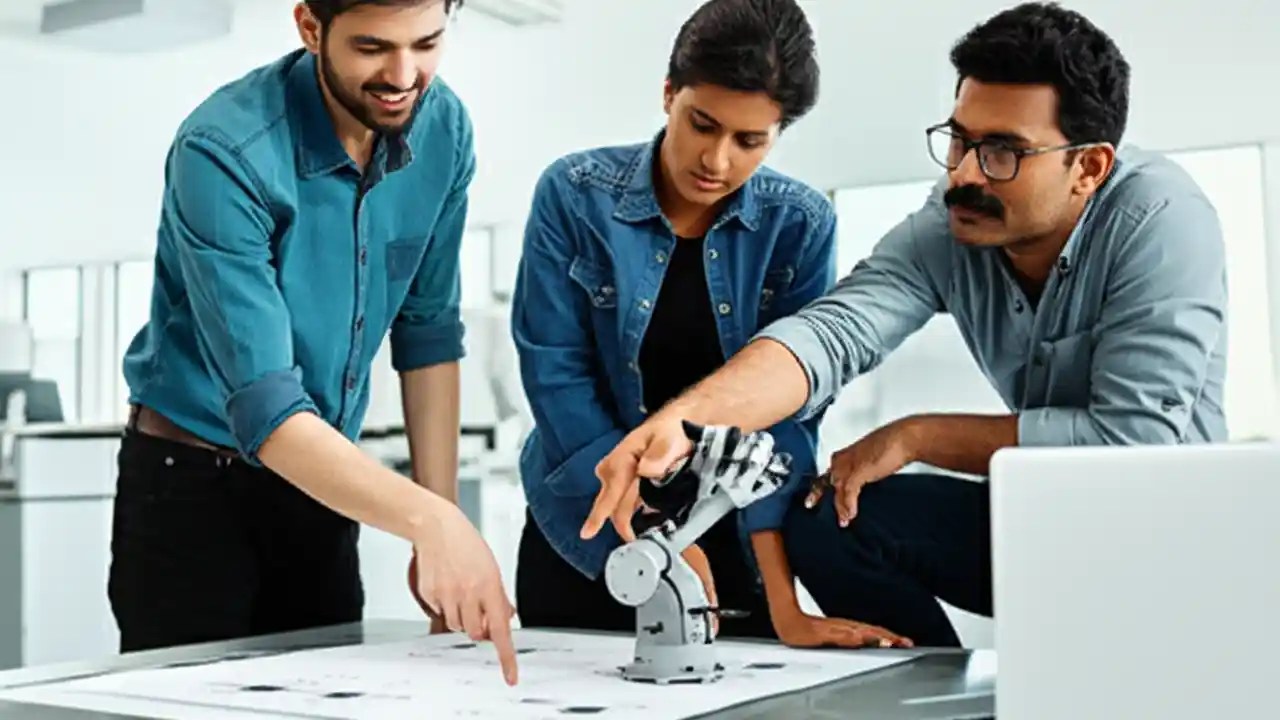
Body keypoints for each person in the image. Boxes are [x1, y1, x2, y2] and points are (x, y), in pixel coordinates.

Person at [583, 1, 1228, 647]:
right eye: (960, 140)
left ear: (1088, 168)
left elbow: (1130, 442)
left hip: (1162, 540)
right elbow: (831, 334)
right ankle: (935, 689)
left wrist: (918, 436)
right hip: (1040, 517)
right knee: (828, 515)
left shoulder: (1161, 221)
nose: (965, 174)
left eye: (1003, 152)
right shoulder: (948, 225)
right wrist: (685, 423)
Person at [112, 0, 518, 684]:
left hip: (323, 482)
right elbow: (265, 406)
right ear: (309, 27)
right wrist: (432, 522)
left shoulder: (445, 128)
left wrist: (438, 520)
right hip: (192, 488)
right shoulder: (222, 150)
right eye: (372, 48)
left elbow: (427, 331)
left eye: (426, 44)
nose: (403, 75)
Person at [510, 0, 909, 650]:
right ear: (669, 94)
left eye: (749, 141)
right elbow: (557, 377)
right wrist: (652, 532)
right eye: (702, 124)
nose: (716, 161)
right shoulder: (575, 195)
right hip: (591, 523)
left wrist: (784, 603)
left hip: (732, 534)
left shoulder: (799, 224)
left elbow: (789, 416)